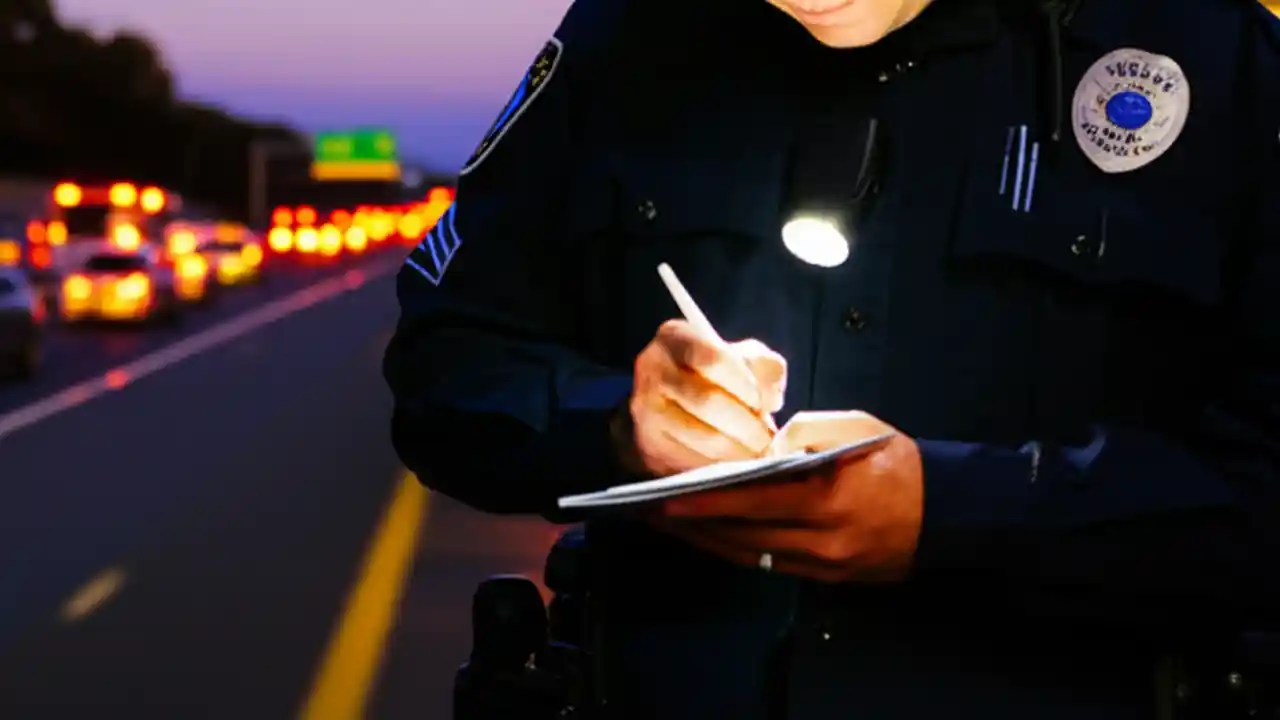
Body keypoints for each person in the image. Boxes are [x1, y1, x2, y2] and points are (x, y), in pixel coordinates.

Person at [383, 0, 1280, 716]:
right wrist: (619, 423)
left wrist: (960, 513)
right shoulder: (627, 39)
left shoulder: (1217, 59)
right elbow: (445, 363)